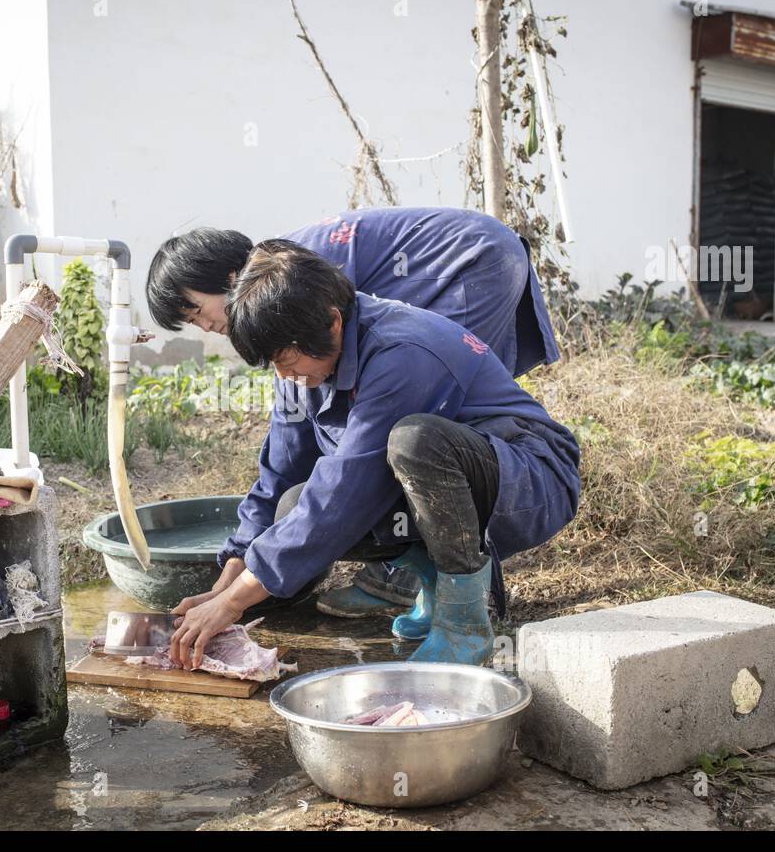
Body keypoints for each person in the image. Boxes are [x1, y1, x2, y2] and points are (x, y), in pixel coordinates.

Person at [167, 241, 580, 668]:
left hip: (527, 477)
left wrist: (235, 604)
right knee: (292, 505)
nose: (283, 376)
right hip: (448, 481)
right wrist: (233, 571)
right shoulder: (301, 359)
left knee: (414, 441)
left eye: (287, 360)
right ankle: (435, 586)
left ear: (331, 323)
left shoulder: (402, 350)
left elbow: (347, 491)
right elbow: (280, 471)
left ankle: (464, 624)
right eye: (272, 363)